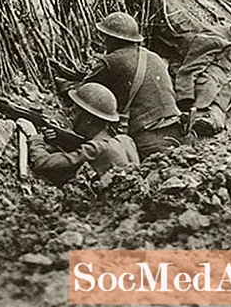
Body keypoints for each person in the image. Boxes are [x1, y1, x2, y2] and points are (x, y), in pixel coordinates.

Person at [83, 12, 182, 159]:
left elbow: (85, 91)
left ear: (113, 39)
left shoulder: (111, 61)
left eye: (106, 37)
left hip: (148, 139)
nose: (104, 41)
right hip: (177, 130)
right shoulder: (154, 57)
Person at [16, 83, 139, 186]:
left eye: (75, 112)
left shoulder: (96, 149)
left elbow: (42, 163)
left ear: (89, 120)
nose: (70, 116)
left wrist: (34, 136)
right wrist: (61, 140)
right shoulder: (126, 141)